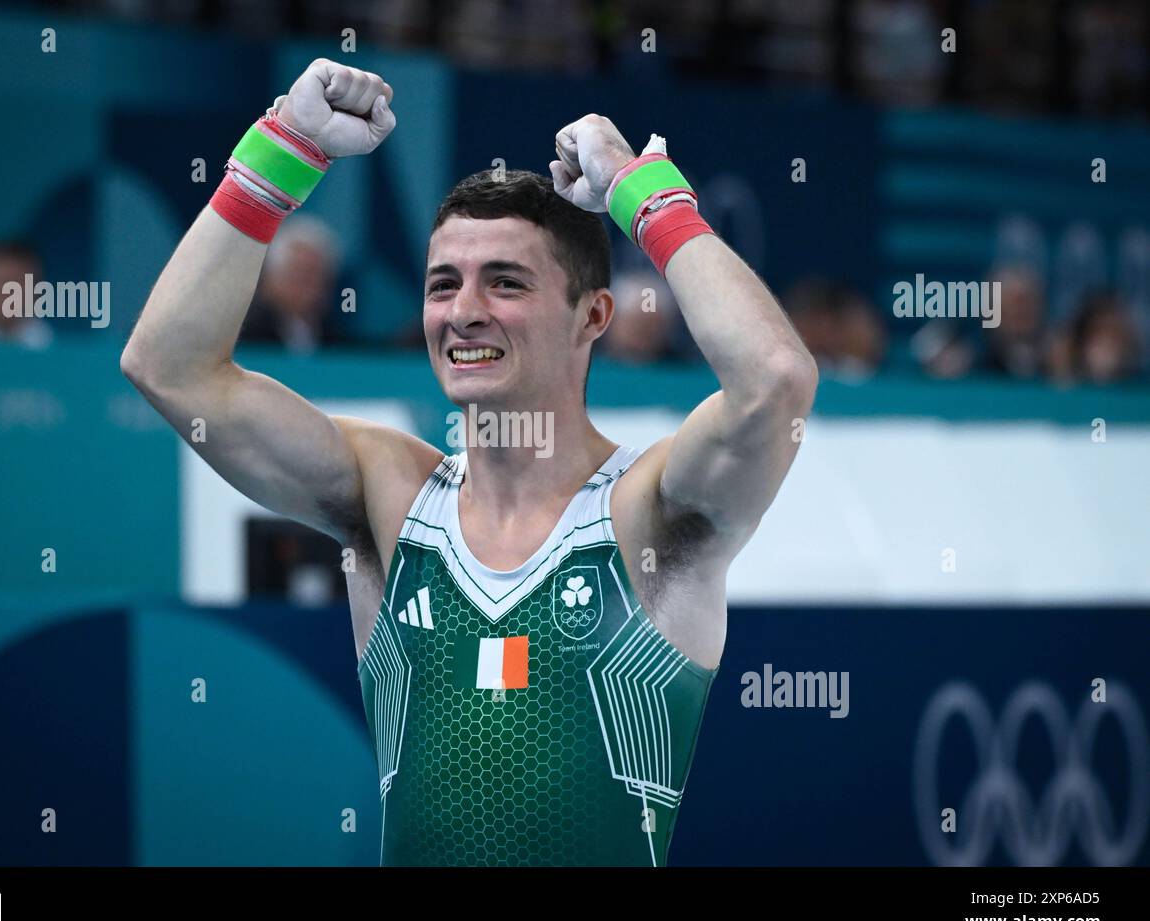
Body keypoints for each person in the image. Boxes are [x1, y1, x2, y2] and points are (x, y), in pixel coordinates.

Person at [122, 60, 817, 865]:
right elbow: (168, 366)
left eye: (506, 282)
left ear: (594, 315)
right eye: (442, 283)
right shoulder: (385, 493)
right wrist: (282, 150)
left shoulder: (650, 512)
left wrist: (642, 191)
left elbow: (775, 381)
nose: (464, 313)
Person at [238, 215, 344, 351]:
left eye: (318, 275)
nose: (311, 285)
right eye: (301, 274)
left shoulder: (335, 334)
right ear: (270, 276)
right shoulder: (244, 332)